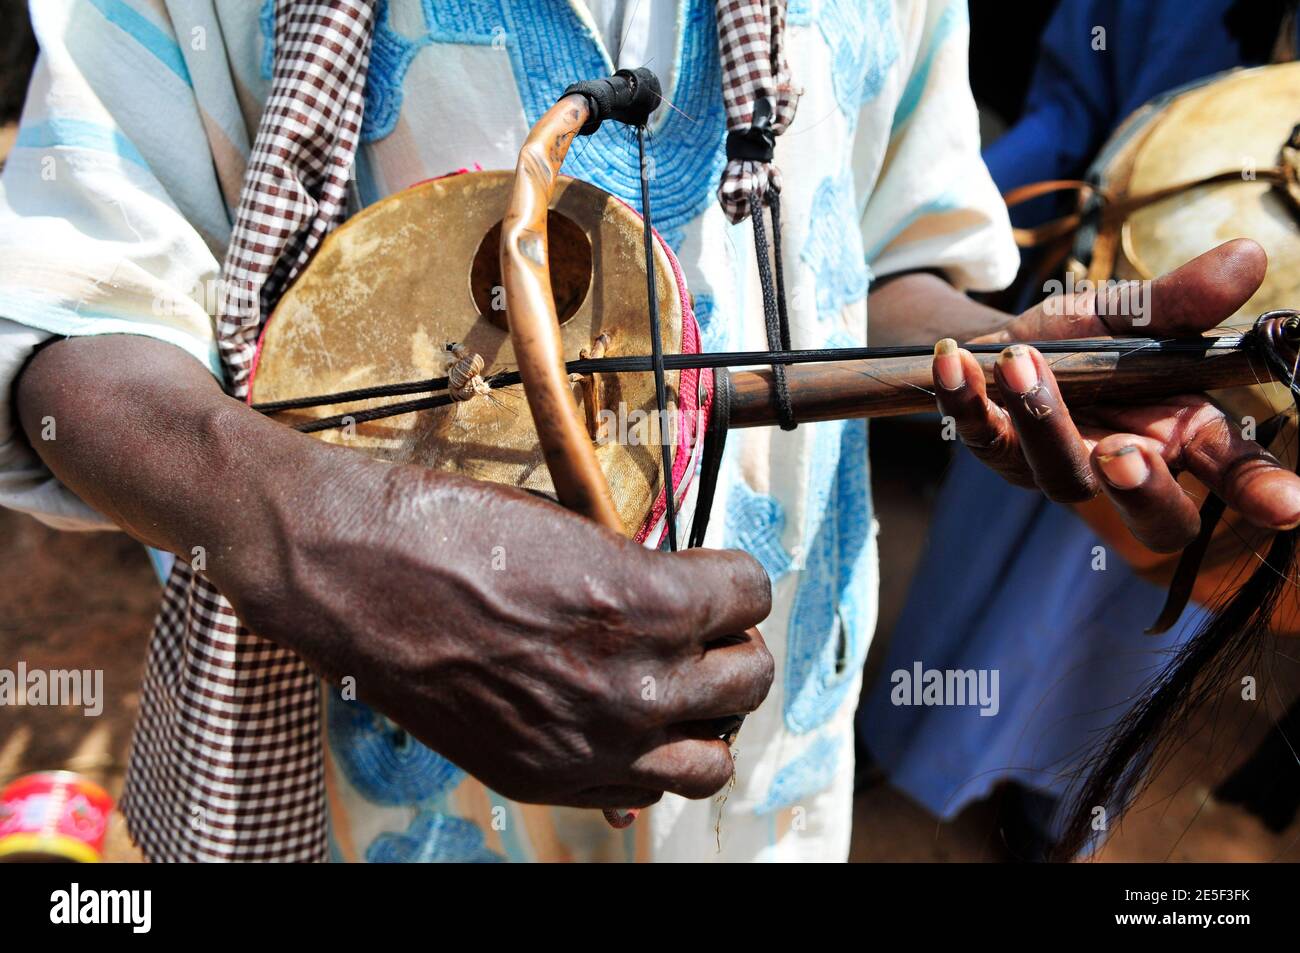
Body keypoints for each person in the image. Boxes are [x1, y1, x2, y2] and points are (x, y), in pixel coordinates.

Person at [1, 0, 1294, 863]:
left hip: (768, 775)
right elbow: (58, 328)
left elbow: (886, 252)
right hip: (373, 768)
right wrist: (318, 539)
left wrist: (986, 355)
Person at [859, 0, 1300, 855]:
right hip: (1078, 336)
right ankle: (909, 741)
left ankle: (1054, 801)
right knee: (989, 571)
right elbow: (1061, 116)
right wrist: (966, 221)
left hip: (1221, 451)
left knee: (1129, 637)